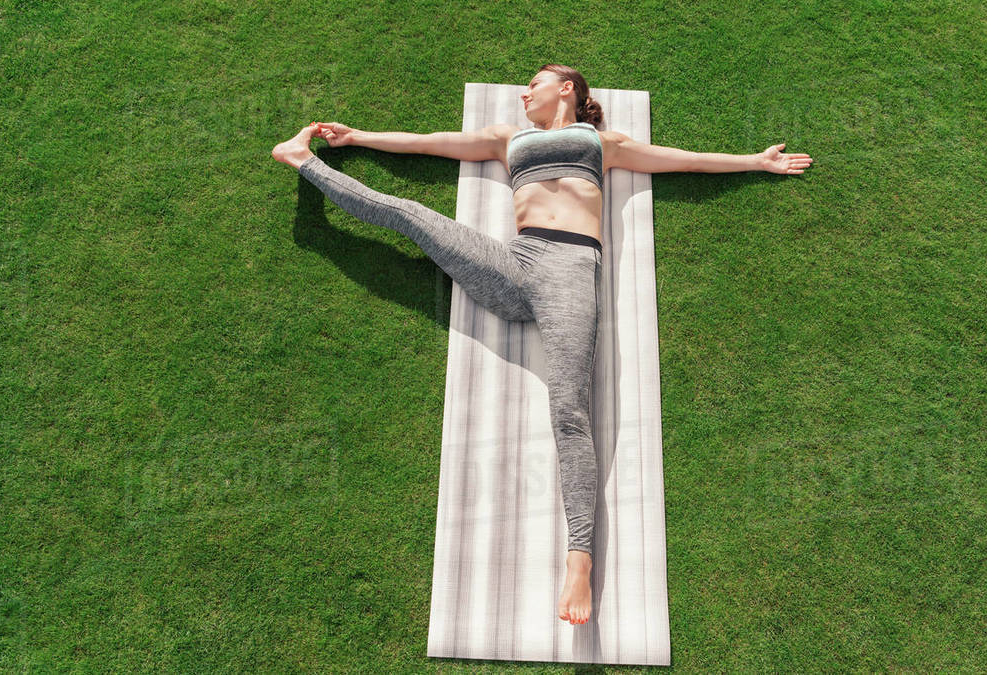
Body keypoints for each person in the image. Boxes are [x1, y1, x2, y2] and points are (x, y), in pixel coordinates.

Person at [271, 64, 813, 627]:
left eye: (535, 83)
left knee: (568, 411)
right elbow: (436, 146)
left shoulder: (601, 143)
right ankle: (301, 160)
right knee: (412, 216)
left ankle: (579, 560)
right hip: (512, 265)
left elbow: (680, 159)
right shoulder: (511, 137)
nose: (524, 92)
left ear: (569, 90)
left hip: (571, 272)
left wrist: (755, 161)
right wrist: (358, 137)